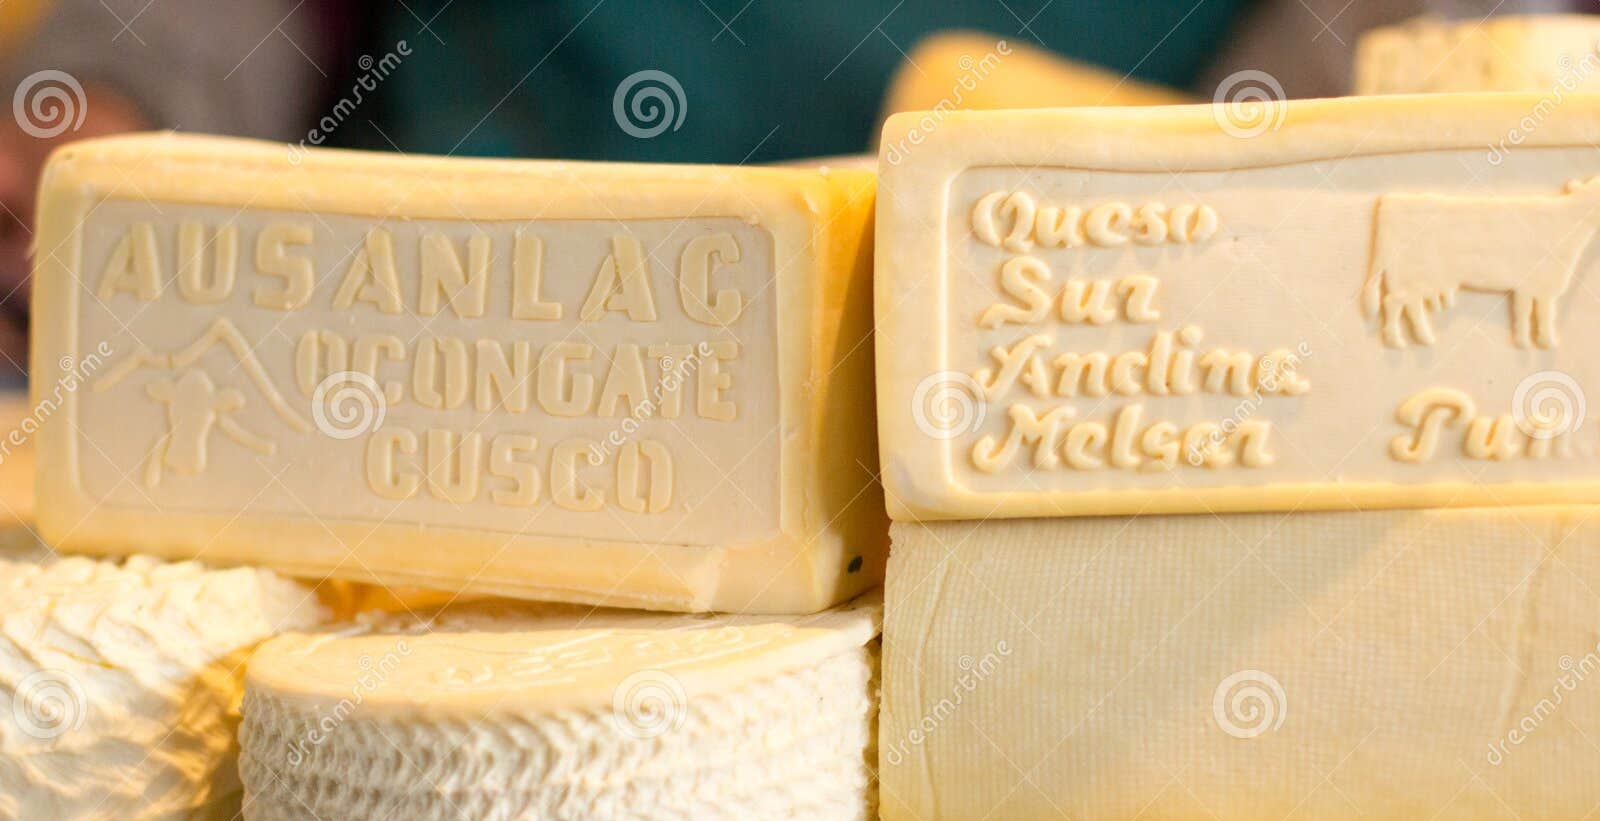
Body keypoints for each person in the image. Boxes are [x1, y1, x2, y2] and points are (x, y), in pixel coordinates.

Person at [0, 0, 1558, 377]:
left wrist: (1234, 183)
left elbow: (1394, 29)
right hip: (453, 315)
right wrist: (117, 88)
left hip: (1058, 322)